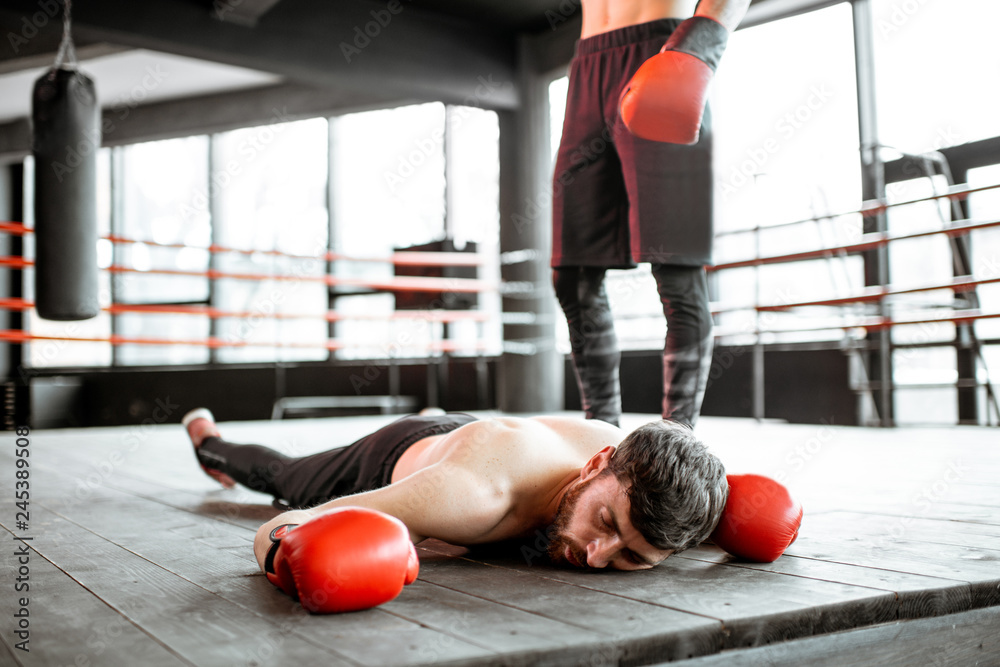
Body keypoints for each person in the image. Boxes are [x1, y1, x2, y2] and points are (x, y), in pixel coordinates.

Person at [182, 408, 729, 574]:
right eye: (606, 524)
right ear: (595, 466)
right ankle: (210, 440)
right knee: (284, 477)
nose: (595, 555)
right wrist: (289, 553)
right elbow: (285, 526)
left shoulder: (643, 473)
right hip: (397, 458)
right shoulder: (471, 496)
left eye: (633, 556)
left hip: (478, 431)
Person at [552, 0, 751, 427]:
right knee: (573, 273)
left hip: (664, 49)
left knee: (676, 271)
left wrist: (702, 44)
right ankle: (600, 436)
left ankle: (676, 446)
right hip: (587, 63)